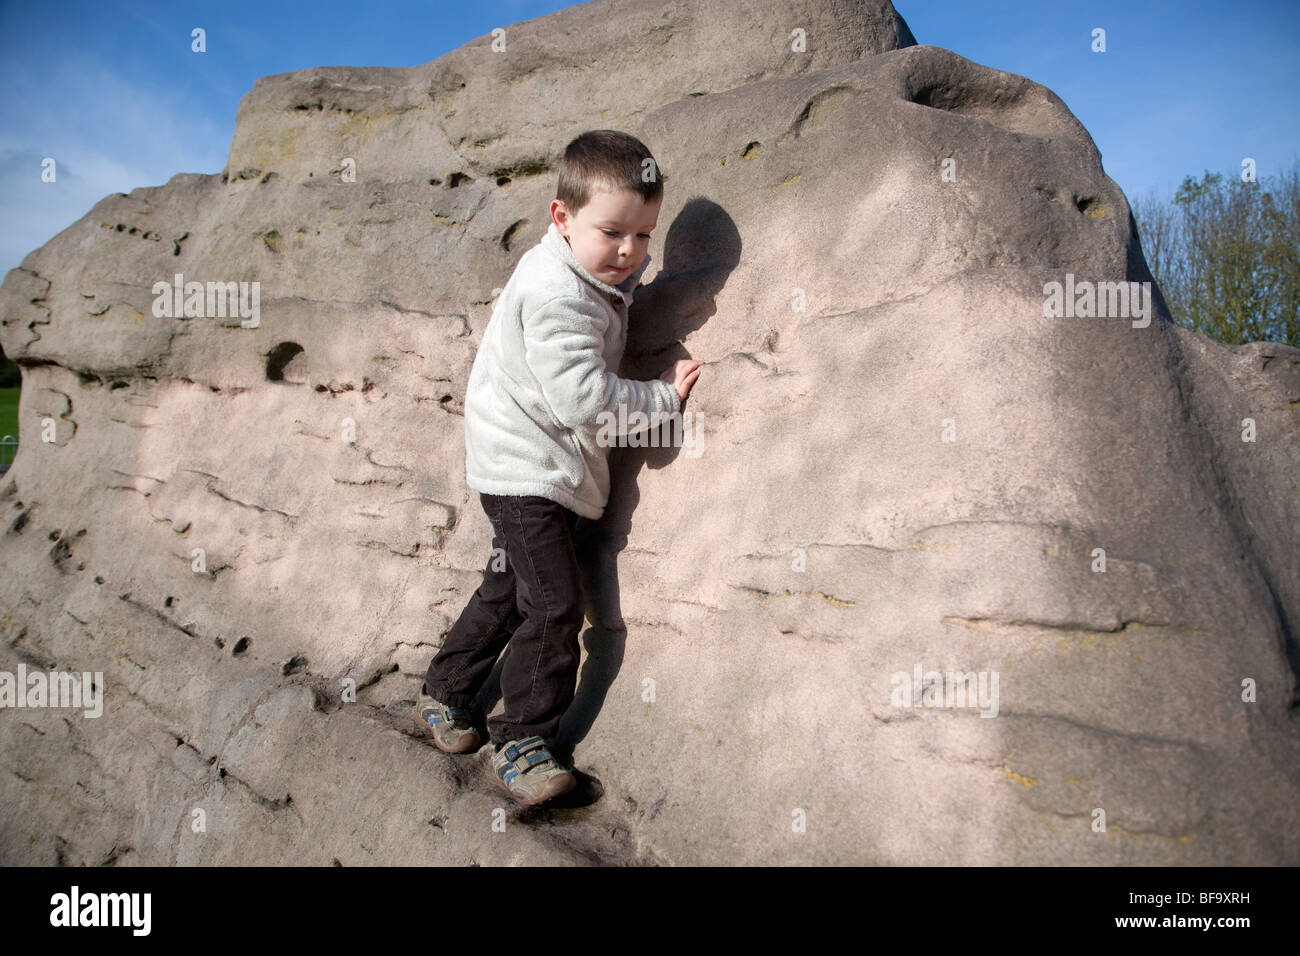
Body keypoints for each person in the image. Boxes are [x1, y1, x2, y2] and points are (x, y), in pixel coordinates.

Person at [417, 129, 702, 807]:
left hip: (529, 467)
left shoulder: (582, 276)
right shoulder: (558, 293)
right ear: (561, 217)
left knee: (509, 588)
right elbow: (584, 400)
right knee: (553, 601)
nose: (630, 252)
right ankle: (522, 738)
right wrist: (662, 398)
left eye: (644, 235)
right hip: (525, 473)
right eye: (613, 233)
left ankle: (446, 692)